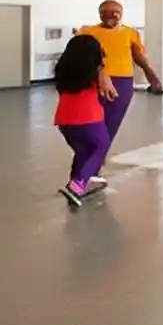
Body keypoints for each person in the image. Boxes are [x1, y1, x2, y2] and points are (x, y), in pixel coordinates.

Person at [79, 0, 162, 152]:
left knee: (112, 121)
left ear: (121, 14)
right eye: (107, 12)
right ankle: (92, 152)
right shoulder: (87, 32)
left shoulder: (130, 33)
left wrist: (151, 75)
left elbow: (139, 57)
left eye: (116, 12)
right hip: (93, 80)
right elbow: (79, 55)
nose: (112, 16)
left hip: (122, 82)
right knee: (92, 120)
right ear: (100, 14)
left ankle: (99, 154)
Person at [53, 35, 111, 208]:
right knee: (100, 146)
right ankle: (77, 185)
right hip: (88, 116)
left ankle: (76, 181)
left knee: (83, 151)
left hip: (64, 118)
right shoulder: (94, 71)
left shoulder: (62, 70)